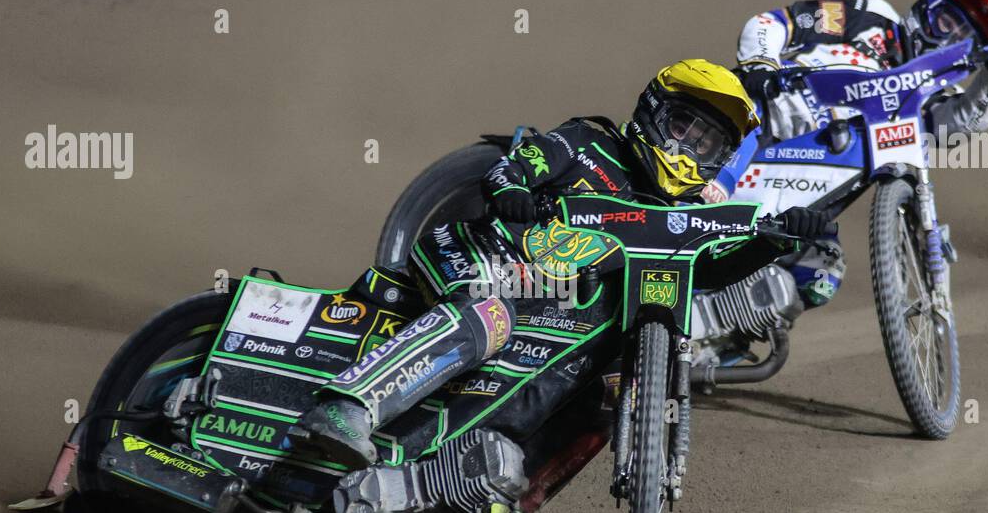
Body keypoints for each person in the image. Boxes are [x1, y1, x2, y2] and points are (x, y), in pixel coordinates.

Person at [289, 59, 812, 470]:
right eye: (684, 127)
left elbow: (711, 270)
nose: (689, 148)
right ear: (656, 109)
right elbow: (509, 168)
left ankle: (503, 496)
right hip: (476, 252)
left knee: (605, 394)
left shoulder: (682, 213)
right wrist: (514, 191)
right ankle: (349, 406)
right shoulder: (587, 142)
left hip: (553, 313)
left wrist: (777, 241)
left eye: (707, 143)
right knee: (488, 313)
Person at [728, 0, 988, 308]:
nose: (948, 39)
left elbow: (958, 125)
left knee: (821, 276)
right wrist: (759, 65)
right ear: (926, 8)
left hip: (804, 186)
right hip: (763, 118)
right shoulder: (871, 17)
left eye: (963, 37)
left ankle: (721, 337)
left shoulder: (927, 95)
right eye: (947, 22)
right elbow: (775, 23)